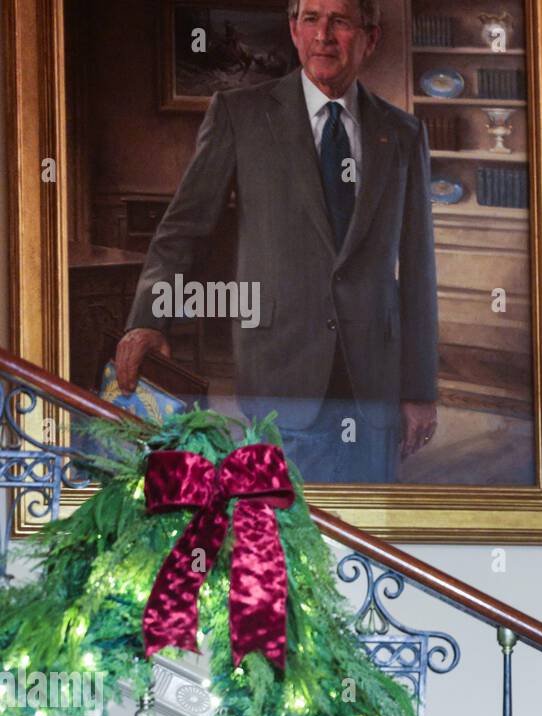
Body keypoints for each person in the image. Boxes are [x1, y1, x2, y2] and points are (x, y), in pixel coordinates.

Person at [114, 0, 438, 483]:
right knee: (275, 538)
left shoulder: (404, 133)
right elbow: (184, 230)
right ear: (293, 29)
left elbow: (417, 267)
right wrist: (147, 319)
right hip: (279, 375)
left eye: (341, 22)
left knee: (367, 544)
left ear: (371, 38)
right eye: (311, 19)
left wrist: (419, 388)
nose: (323, 35)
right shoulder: (239, 114)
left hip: (375, 386)